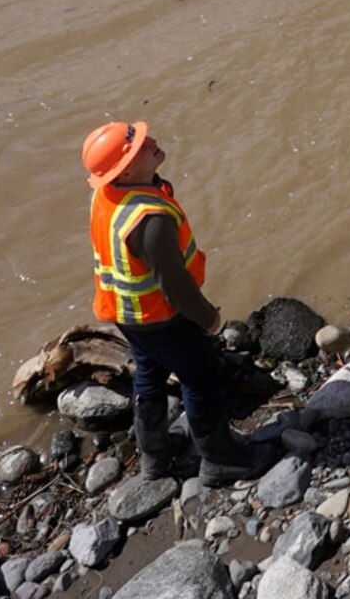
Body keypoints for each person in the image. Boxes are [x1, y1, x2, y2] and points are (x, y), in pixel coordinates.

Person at [82, 120, 278, 485]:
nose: (152, 141)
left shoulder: (107, 196)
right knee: (201, 376)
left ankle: (155, 456)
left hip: (126, 313)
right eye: (141, 144)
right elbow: (175, 286)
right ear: (125, 169)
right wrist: (208, 319)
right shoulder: (149, 220)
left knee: (150, 374)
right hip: (162, 316)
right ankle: (221, 459)